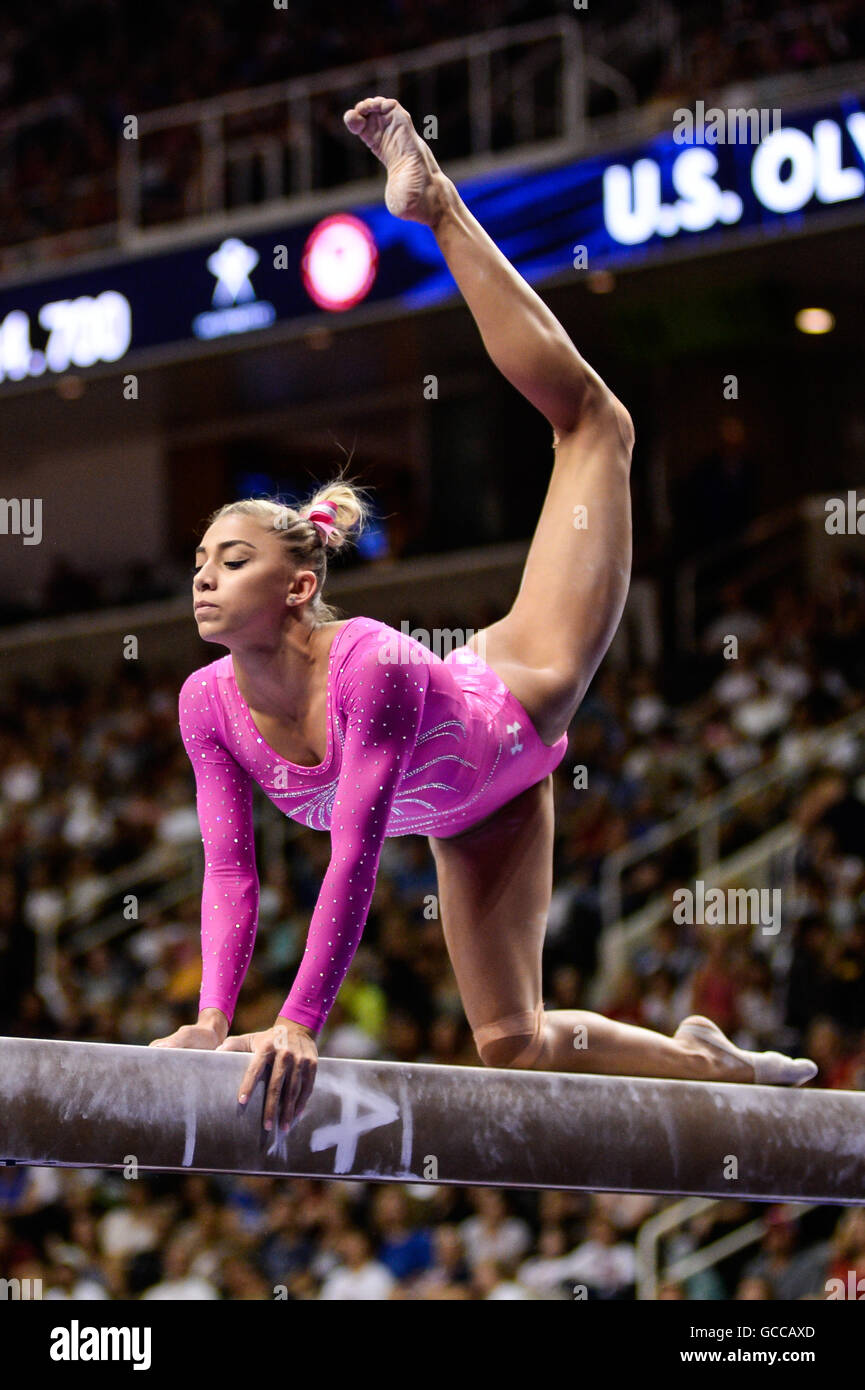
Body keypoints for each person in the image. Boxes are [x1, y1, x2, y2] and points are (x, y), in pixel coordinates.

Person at [151, 97, 816, 1131]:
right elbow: (231, 869)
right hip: (473, 809)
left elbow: (359, 848)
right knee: (512, 1041)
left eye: (230, 559)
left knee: (596, 423)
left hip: (517, 685)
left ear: (295, 586)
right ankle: (705, 1063)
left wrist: (298, 1019)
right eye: (197, 559)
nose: (201, 576)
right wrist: (207, 1016)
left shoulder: (365, 664)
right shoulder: (206, 705)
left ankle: (440, 202)